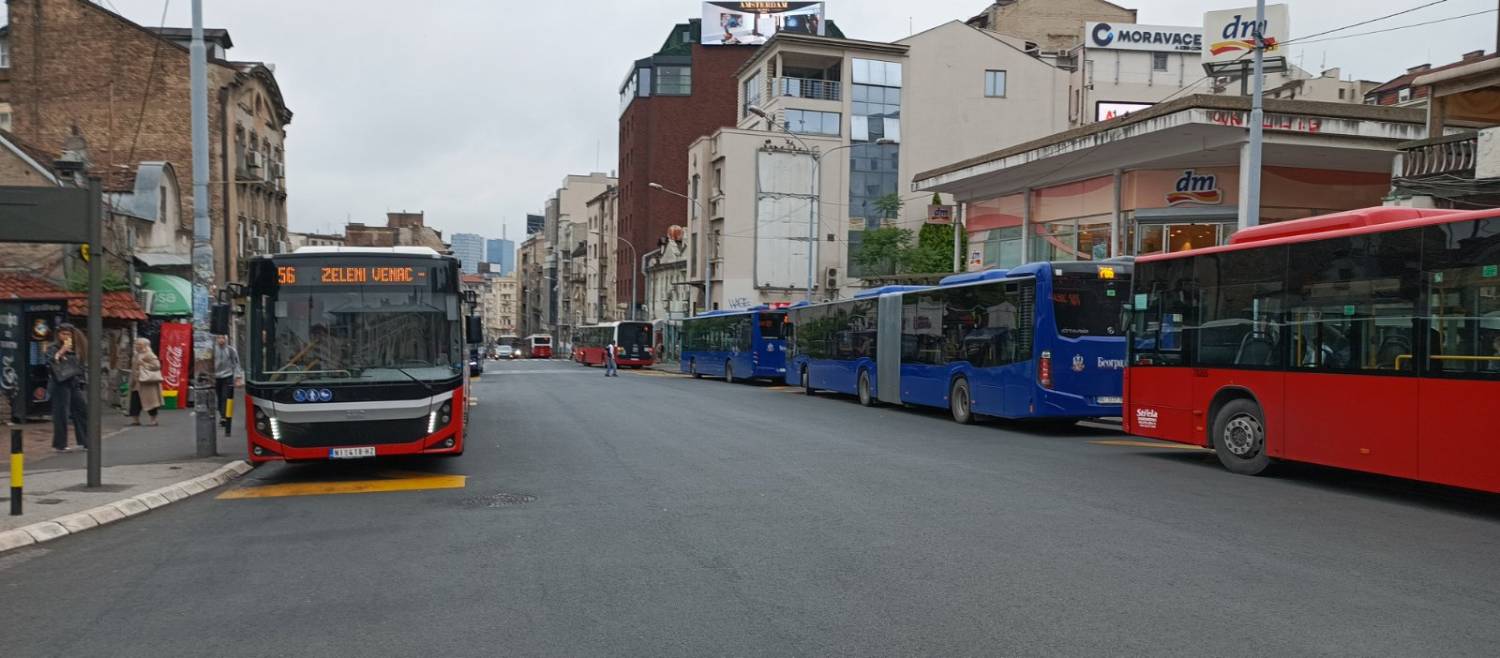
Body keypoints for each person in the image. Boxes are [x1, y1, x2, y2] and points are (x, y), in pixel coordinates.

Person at [44, 324, 89, 452]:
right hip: (60, 383)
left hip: (73, 382)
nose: (66, 337)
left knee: (82, 409)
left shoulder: (75, 348)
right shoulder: (53, 347)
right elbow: (50, 361)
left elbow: (80, 365)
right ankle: (60, 444)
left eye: (68, 334)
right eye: (63, 334)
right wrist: (62, 351)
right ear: (58, 335)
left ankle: (85, 440)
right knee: (61, 413)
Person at [128, 337, 164, 426]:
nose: (136, 346)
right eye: (136, 344)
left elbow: (156, 366)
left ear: (145, 345)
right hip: (137, 382)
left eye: (139, 344)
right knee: (135, 401)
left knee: (151, 402)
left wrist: (143, 364)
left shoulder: (150, 354)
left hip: (147, 382)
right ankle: (135, 420)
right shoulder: (136, 355)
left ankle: (153, 420)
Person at [214, 334, 241, 436]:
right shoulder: (213, 350)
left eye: (223, 338)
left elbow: (236, 363)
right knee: (219, 397)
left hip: (227, 376)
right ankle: (222, 414)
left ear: (226, 339)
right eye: (219, 338)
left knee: (226, 396)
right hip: (216, 377)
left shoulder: (230, 350)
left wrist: (238, 377)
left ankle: (224, 417)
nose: (221, 340)